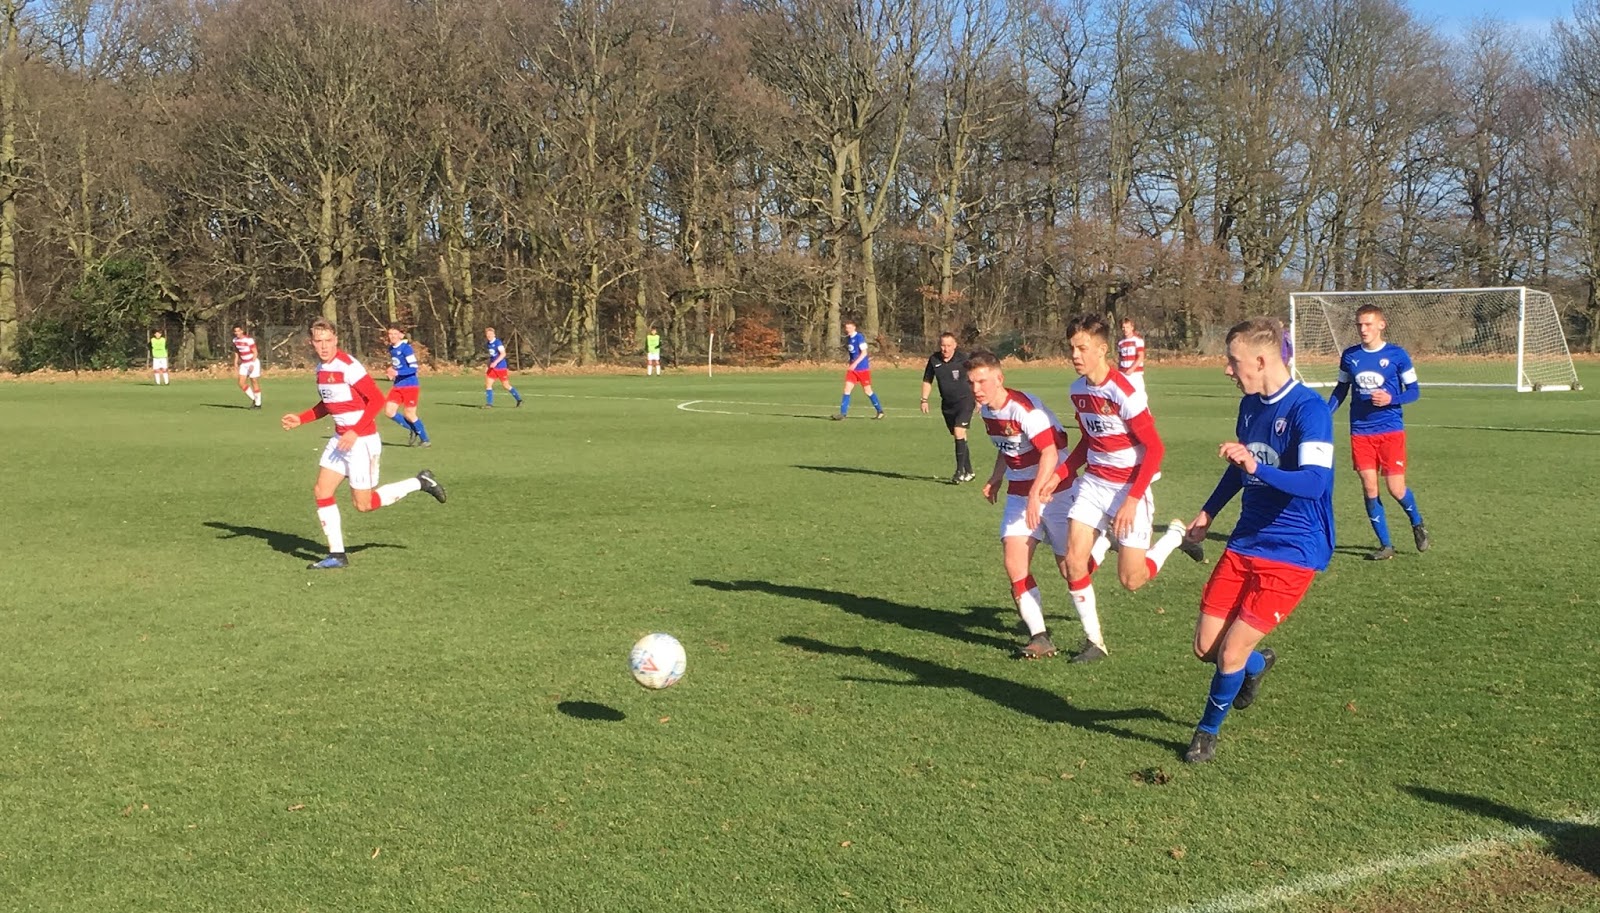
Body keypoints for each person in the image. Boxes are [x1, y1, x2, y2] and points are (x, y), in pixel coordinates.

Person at [1181, 317, 1334, 763]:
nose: (1227, 370)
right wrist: (1209, 511)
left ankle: (1206, 732)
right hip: (1246, 541)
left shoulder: (1310, 410)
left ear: (1262, 360)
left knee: (1230, 652)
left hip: (1293, 550)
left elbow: (1314, 483)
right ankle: (1257, 664)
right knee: (1206, 648)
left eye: (1234, 361)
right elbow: (1238, 470)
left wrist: (1256, 467)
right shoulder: (1250, 405)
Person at [1057, 315, 1204, 663]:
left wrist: (1132, 501)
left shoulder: (1124, 392)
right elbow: (1088, 440)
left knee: (1131, 580)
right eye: (1072, 348)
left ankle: (1174, 536)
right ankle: (1094, 642)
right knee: (1072, 564)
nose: (1075, 355)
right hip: (1094, 484)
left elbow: (1155, 449)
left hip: (1128, 488)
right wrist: (1062, 473)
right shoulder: (1077, 390)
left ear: (1102, 349)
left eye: (1082, 348)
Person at [281, 319, 447, 570]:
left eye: (328, 340)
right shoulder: (321, 369)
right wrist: (301, 418)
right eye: (318, 341)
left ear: (336, 340)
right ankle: (337, 555)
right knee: (322, 491)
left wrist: (354, 432)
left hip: (361, 440)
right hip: (340, 440)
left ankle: (420, 482)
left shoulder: (348, 366)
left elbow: (377, 399)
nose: (324, 346)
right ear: (312, 342)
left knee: (363, 504)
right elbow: (328, 404)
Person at [967, 350, 1076, 659]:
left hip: (1055, 491)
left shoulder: (1024, 410)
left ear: (999, 378)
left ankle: (1104, 538)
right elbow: (1008, 448)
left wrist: (1035, 494)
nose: (976, 389)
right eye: (972, 382)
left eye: (982, 381)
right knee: (1014, 564)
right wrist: (996, 478)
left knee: (1071, 569)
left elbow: (1050, 453)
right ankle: (1040, 637)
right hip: (1019, 492)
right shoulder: (988, 412)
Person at [1327, 304, 1428, 560]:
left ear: (1381, 325)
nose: (1363, 329)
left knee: (1396, 488)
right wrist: (1325, 413)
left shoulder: (1397, 355)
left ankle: (1417, 522)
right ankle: (1385, 546)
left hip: (1390, 430)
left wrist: (1392, 399)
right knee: (1370, 488)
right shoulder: (1350, 356)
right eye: (1359, 324)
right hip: (1360, 431)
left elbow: (1414, 391)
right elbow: (1341, 389)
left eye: (1368, 324)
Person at [920, 332, 977, 483]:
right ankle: (969, 471)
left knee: (959, 431)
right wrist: (924, 399)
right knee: (960, 436)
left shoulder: (963, 359)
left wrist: (979, 398)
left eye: (948, 346)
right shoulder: (934, 360)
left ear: (955, 345)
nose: (945, 349)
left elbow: (975, 377)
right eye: (943, 345)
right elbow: (927, 380)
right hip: (947, 404)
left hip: (965, 401)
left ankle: (959, 472)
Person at [384, 326, 431, 447]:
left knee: (409, 414)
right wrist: (391, 370)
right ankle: (413, 429)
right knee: (389, 412)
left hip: (410, 385)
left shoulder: (406, 349)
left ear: (401, 335)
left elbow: (414, 368)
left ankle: (425, 439)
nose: (392, 336)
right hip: (398, 385)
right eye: (390, 334)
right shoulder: (391, 348)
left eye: (395, 334)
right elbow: (398, 365)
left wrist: (397, 373)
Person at [831, 318, 884, 420]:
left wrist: (855, 364)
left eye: (850, 327)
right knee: (847, 389)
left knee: (868, 391)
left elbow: (864, 353)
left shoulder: (859, 337)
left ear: (854, 327)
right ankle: (842, 414)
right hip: (853, 371)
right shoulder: (849, 339)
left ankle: (880, 411)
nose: (848, 330)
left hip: (862, 369)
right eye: (846, 328)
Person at [483, 326, 523, 408]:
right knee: (488, 384)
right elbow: (492, 356)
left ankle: (519, 400)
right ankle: (489, 404)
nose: (489, 335)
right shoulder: (488, 344)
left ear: (494, 334)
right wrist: (489, 364)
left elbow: (503, 354)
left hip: (501, 367)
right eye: (487, 334)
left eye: (490, 334)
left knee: (506, 385)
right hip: (493, 368)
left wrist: (495, 362)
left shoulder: (498, 342)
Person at [232, 326, 263, 409]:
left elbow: (255, 352)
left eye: (238, 331)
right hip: (244, 363)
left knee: (254, 381)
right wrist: (235, 362)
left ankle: (258, 404)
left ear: (242, 331)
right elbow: (236, 351)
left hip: (253, 362)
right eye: (235, 331)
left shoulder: (249, 340)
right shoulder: (235, 340)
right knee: (241, 383)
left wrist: (252, 364)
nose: (237, 333)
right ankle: (255, 399)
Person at [1116, 317, 1147, 393]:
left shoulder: (1138, 341)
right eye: (1123, 327)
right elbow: (1120, 359)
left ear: (1132, 328)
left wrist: (1132, 369)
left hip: (1135, 374)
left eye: (1127, 327)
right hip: (1123, 374)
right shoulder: (1121, 343)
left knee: (1139, 395)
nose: (1125, 329)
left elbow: (1141, 357)